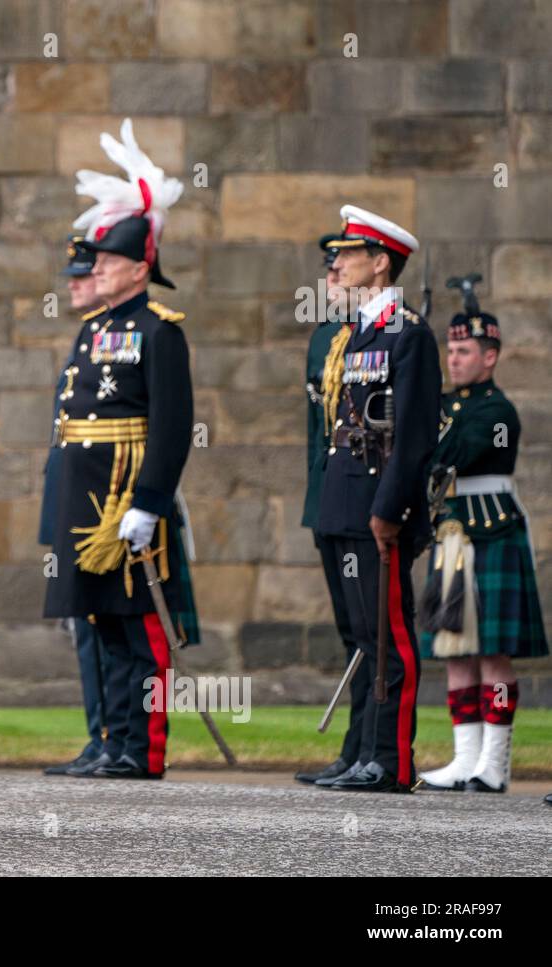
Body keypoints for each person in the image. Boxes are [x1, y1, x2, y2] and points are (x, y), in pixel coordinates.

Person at [44, 119, 200, 781]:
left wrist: (151, 501)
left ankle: (143, 746)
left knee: (142, 629)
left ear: (140, 268)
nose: (96, 270)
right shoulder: (93, 329)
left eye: (108, 262)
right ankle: (111, 738)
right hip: (84, 495)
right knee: (103, 622)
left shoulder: (159, 331)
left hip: (126, 496)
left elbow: (171, 424)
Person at [314, 206, 440, 793]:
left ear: (381, 262)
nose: (335, 263)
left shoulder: (408, 334)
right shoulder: (356, 334)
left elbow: (413, 436)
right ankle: (366, 752)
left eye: (348, 253)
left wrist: (390, 510)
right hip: (345, 497)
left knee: (389, 635)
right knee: (366, 636)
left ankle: (390, 759)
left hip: (378, 506)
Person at [418, 289, 546, 793]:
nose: (455, 359)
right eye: (449, 352)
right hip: (452, 534)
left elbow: (455, 454)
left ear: (489, 356)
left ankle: (494, 763)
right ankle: (464, 758)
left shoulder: (499, 414)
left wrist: (424, 422)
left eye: (464, 352)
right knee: (455, 650)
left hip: (493, 532)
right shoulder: (445, 404)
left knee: (492, 652)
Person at [39, 235, 127, 778]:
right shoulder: (90, 337)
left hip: (105, 505)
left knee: (110, 626)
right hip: (73, 499)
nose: (74, 284)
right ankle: (101, 735)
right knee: (86, 628)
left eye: (84, 275)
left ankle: (119, 736)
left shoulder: (122, 337)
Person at [295, 235, 373, 787]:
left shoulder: (394, 333)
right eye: (329, 269)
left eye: (340, 266)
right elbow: (315, 431)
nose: (332, 276)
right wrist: (315, 497)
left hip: (366, 501)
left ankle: (375, 748)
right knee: (351, 632)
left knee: (374, 632)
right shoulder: (323, 338)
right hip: (329, 498)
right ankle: (353, 747)